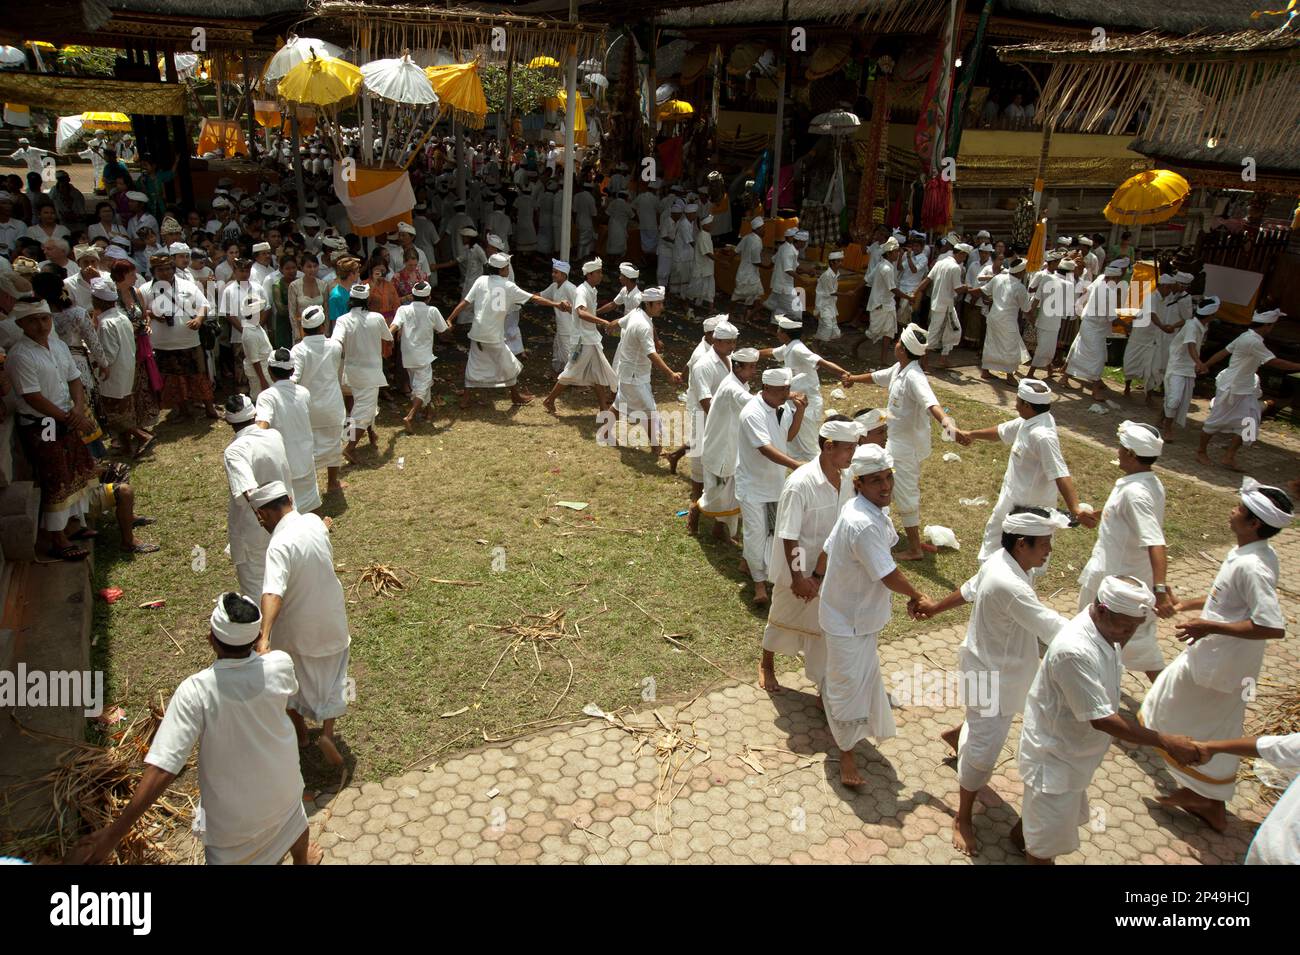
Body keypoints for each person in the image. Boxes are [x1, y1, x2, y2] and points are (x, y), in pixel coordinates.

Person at [69, 593, 321, 865]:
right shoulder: (280, 664)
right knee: (293, 819)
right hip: (284, 790)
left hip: (234, 825)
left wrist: (113, 834)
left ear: (211, 639)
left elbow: (163, 768)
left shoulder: (196, 691)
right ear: (257, 635)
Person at [913, 507, 1072, 854]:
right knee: (984, 755)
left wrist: (935, 607)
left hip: (1001, 670)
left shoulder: (1002, 561)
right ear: (1021, 544)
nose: (1049, 550)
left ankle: (959, 735)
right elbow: (1050, 626)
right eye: (1043, 544)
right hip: (990, 676)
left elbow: (969, 589)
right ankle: (963, 816)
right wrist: (1099, 633)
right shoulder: (1010, 583)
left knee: (984, 726)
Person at [1139, 479, 1292, 832]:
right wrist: (1186, 605)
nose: (1231, 511)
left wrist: (1209, 627)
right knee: (1190, 714)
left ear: (1254, 523)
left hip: (1219, 665)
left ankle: (1206, 795)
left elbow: (1271, 626)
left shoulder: (1254, 566)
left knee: (1171, 711)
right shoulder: (1248, 553)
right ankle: (1206, 796)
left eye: (1239, 510)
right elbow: (1225, 600)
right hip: (1215, 660)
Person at [1015, 576, 1202, 864]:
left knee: (1046, 822)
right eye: (1126, 627)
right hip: (1054, 759)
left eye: (1135, 628)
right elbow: (1102, 720)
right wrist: (1165, 741)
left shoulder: (1106, 631)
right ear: (1101, 610)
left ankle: (1022, 836)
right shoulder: (1074, 651)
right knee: (1043, 850)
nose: (1128, 635)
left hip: (1073, 755)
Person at [818, 443, 929, 786]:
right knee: (847, 685)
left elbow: (828, 548)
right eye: (875, 481)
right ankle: (846, 754)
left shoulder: (862, 509)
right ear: (859, 484)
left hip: (856, 614)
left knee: (856, 679)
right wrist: (917, 594)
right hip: (846, 619)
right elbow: (887, 574)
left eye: (888, 478)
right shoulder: (862, 521)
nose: (885, 487)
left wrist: (819, 577)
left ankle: (842, 722)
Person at [842, 324, 961, 561]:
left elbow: (931, 404)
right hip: (894, 443)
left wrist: (950, 427)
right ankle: (880, 530)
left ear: (903, 350)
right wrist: (853, 378)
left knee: (905, 493)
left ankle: (915, 549)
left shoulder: (915, 377)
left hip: (906, 448)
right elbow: (878, 377)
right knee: (881, 484)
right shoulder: (900, 368)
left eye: (898, 342)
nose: (895, 343)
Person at [254, 483, 351, 768]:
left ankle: (300, 735)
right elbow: (321, 526)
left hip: (296, 631)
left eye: (260, 518)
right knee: (335, 678)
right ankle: (328, 735)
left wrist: (264, 636)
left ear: (264, 513)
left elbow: (272, 592)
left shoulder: (278, 545)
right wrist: (325, 524)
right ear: (290, 500)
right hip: (332, 621)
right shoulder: (312, 523)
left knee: (287, 682)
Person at [759, 417, 859, 693]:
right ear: (829, 447)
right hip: (798, 568)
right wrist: (800, 577)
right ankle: (766, 662)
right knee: (781, 616)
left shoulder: (848, 478)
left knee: (824, 627)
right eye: (849, 448)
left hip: (829, 569)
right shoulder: (800, 484)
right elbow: (790, 536)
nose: (854, 454)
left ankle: (823, 685)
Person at [956, 378, 1095, 562]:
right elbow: (1002, 431)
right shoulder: (1030, 420)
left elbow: (1060, 472)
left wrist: (1075, 508)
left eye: (1018, 401)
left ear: (1027, 405)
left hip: (1028, 509)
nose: (1015, 404)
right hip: (1011, 498)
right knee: (996, 546)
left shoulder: (1042, 436)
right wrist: (972, 435)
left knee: (1018, 555)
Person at [1076, 421, 1172, 681]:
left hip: (1121, 582)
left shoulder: (1137, 493)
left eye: (1120, 447)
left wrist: (1161, 590)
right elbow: (1120, 513)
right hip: (1113, 574)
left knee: (1136, 646)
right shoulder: (1143, 483)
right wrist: (1094, 516)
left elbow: (1155, 541)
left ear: (1130, 453)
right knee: (1097, 635)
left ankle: (1167, 702)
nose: (1117, 451)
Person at [6, 301, 99, 560]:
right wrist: (72, 418)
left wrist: (78, 409)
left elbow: (73, 378)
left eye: (45, 319)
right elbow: (33, 397)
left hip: (66, 417)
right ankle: (57, 538)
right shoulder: (20, 354)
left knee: (74, 469)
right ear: (21, 324)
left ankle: (73, 526)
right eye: (33, 320)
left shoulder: (57, 345)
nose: (41, 325)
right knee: (54, 473)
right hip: (44, 424)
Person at [446, 252, 570, 409]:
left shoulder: (481, 280)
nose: (508, 269)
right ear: (502, 270)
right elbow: (534, 298)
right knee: (509, 365)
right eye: (507, 267)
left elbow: (465, 302)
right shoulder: (508, 286)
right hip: (493, 335)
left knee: (474, 365)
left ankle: (467, 399)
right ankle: (515, 396)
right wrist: (557, 304)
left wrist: (450, 318)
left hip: (477, 332)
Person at [736, 367, 807, 607]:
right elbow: (765, 448)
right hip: (753, 485)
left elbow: (787, 436)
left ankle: (750, 562)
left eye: (787, 389)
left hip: (776, 483)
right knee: (756, 534)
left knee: (776, 532)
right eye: (780, 391)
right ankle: (758, 584)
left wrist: (800, 411)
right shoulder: (751, 413)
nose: (786, 394)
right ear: (765, 388)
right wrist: (796, 464)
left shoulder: (782, 408)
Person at [1197, 307, 1300, 470]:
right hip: (1232, 387)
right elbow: (1274, 361)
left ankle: (1229, 456)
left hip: (1245, 388)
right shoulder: (1252, 341)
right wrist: (1297, 366)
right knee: (1215, 421)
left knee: (1250, 421)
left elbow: (1223, 352)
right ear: (1268, 325)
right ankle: (1201, 452)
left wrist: (1205, 364)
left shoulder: (1246, 337)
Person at [1189, 732, 1300, 864]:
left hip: (1272, 850)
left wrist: (1211, 748)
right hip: (1268, 850)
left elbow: (1279, 747)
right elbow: (1279, 747)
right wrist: (1211, 748)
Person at [221, 394, 293, 596]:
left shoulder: (234, 451)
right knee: (284, 578)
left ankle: (264, 627)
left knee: (256, 589)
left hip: (258, 529)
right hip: (285, 518)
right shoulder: (274, 435)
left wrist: (267, 525)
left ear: (227, 420)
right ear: (254, 415)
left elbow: (248, 492)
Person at [758, 315, 850, 461]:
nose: (776, 332)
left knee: (809, 447)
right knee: (794, 446)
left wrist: (843, 373)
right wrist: (751, 355)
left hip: (807, 404)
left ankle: (822, 474)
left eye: (779, 330)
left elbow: (821, 361)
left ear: (784, 333)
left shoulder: (798, 349)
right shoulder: (789, 347)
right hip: (795, 402)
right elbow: (771, 352)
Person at [690, 347, 758, 541]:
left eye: (755, 367)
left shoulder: (741, 384)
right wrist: (780, 397)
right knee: (717, 494)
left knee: (733, 492)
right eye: (751, 367)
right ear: (737, 368)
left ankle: (721, 530)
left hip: (733, 448)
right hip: (721, 449)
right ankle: (695, 510)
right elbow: (753, 404)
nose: (754, 371)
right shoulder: (732, 387)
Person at [605, 286, 682, 454]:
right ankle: (656, 447)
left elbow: (619, 322)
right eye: (659, 303)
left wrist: (611, 325)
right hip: (633, 375)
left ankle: (604, 432)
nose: (662, 307)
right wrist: (670, 373)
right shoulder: (642, 324)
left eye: (662, 303)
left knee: (620, 404)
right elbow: (651, 353)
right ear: (648, 304)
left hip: (633, 373)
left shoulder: (636, 314)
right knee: (648, 410)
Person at [142, 252, 216, 420]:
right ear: (154, 271)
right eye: (160, 270)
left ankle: (209, 408)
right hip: (162, 344)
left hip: (189, 341)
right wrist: (152, 315)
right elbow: (140, 312)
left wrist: (198, 318)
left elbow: (204, 305)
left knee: (199, 375)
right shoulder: (146, 289)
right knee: (173, 380)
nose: (165, 273)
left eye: (168, 269)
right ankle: (183, 410)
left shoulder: (187, 285)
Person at [544, 258, 618, 414]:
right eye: (598, 272)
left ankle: (603, 407)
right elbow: (581, 312)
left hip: (591, 338)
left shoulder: (591, 290)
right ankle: (549, 400)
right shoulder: (582, 291)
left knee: (597, 373)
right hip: (583, 340)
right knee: (571, 371)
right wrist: (604, 322)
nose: (600, 275)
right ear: (590, 275)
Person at [90, 277, 153, 457]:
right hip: (126, 368)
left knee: (115, 412)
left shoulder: (107, 323)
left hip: (113, 373)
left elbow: (108, 355)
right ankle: (126, 446)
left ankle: (142, 436)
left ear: (97, 301)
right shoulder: (120, 316)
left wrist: (94, 360)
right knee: (123, 408)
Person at [330, 283, 391, 460]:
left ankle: (371, 434)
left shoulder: (343, 320)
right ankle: (350, 447)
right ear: (367, 300)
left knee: (362, 405)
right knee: (364, 409)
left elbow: (336, 343)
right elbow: (387, 337)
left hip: (352, 373)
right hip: (370, 373)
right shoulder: (377, 318)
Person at [255, 349, 321, 514]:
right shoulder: (304, 392)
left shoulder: (266, 397)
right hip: (305, 456)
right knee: (310, 503)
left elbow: (262, 424)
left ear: (269, 370)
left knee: (288, 508)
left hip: (283, 462)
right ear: (292, 371)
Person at [290, 305, 346, 495]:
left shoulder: (298, 350)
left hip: (308, 407)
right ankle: (332, 483)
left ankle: (309, 487)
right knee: (334, 444)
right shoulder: (335, 346)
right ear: (323, 327)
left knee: (308, 447)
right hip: (332, 404)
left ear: (304, 329)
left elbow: (293, 378)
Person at [389, 281, 448, 432]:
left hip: (408, 355)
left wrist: (384, 337)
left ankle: (428, 412)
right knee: (422, 386)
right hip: (423, 356)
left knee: (421, 384)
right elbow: (443, 331)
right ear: (428, 297)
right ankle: (410, 416)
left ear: (412, 296)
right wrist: (449, 325)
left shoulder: (403, 309)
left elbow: (394, 327)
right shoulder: (432, 310)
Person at [1061, 260, 1125, 398]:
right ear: (1112, 278)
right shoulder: (1107, 292)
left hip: (1091, 325)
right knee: (1098, 358)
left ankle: (1065, 378)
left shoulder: (1102, 280)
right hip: (1093, 327)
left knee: (1079, 352)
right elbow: (1112, 318)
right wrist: (1128, 325)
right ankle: (1095, 391)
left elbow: (1088, 290)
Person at [1160, 296, 1215, 440]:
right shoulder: (1192, 326)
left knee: (1174, 398)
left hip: (1188, 368)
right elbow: (1191, 345)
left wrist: (1196, 363)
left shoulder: (1200, 326)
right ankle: (1167, 428)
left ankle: (1161, 419)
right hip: (1178, 367)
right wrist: (1199, 363)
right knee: (1174, 400)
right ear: (1211, 315)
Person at [912, 243, 970, 367]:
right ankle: (925, 363)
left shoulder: (939, 263)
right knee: (933, 334)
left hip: (942, 305)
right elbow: (958, 289)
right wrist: (966, 287)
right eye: (964, 256)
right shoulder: (955, 268)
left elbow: (926, 280)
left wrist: (915, 293)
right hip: (943, 306)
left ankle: (943, 358)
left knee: (954, 330)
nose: (964, 259)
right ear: (961, 254)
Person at [976, 256, 1032, 383]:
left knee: (991, 343)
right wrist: (1033, 321)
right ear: (1021, 272)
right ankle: (1009, 376)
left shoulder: (998, 278)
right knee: (1010, 347)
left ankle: (985, 371)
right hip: (1007, 321)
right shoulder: (1020, 287)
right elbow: (1027, 309)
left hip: (993, 317)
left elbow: (984, 291)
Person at [1027, 257, 1076, 377]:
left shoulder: (1047, 278)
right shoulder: (1069, 285)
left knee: (1047, 347)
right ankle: (1030, 373)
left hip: (1043, 319)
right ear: (1070, 272)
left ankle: (1049, 370)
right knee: (1044, 349)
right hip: (1053, 322)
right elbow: (1067, 310)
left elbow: (1036, 299)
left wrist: (1031, 315)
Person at [864, 237, 902, 366]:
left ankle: (883, 360)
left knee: (888, 333)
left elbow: (868, 279)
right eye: (896, 252)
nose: (898, 254)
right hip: (881, 304)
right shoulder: (885, 268)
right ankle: (856, 345)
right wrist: (908, 298)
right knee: (873, 332)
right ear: (890, 253)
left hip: (887, 303)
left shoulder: (884, 265)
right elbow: (893, 288)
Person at [541, 259, 580, 375]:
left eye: (556, 272)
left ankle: (577, 381)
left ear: (564, 274)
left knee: (569, 355)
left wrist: (569, 308)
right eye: (553, 272)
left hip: (569, 329)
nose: (553, 274)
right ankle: (557, 372)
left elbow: (580, 307)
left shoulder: (570, 288)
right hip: (560, 328)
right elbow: (541, 296)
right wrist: (524, 296)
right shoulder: (554, 286)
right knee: (557, 351)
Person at [732, 216, 766, 325]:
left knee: (757, 295)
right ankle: (732, 313)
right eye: (763, 228)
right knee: (739, 295)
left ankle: (750, 315)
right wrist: (768, 266)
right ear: (757, 229)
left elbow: (736, 250)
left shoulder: (747, 237)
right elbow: (756, 261)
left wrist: (728, 260)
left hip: (746, 271)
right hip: (749, 274)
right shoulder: (757, 242)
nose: (764, 230)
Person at [812, 250, 844, 343]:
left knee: (830, 326)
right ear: (832, 262)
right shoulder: (827, 275)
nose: (840, 263)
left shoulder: (835, 274)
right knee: (827, 326)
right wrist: (847, 294)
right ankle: (815, 344)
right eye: (838, 261)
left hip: (830, 304)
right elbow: (832, 292)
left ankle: (817, 345)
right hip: (823, 305)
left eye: (841, 261)